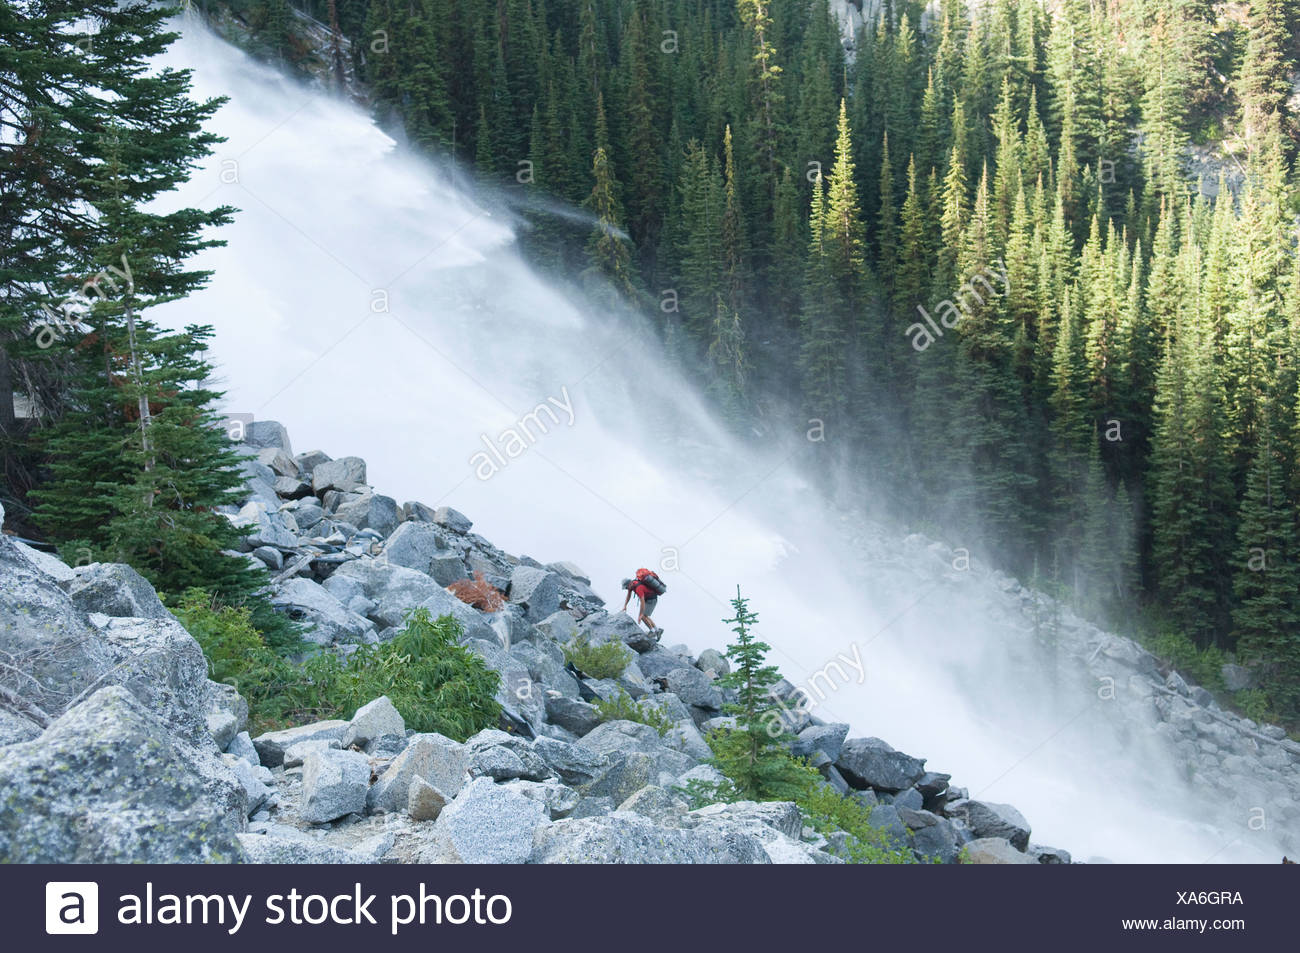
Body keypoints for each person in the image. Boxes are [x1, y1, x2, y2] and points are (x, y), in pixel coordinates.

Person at [620, 567, 666, 637]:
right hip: (649, 599)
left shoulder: (638, 588)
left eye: (626, 587)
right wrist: (625, 606)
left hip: (652, 600)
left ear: (629, 584)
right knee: (645, 616)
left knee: (643, 616)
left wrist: (640, 615)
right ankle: (657, 630)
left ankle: (652, 631)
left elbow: (642, 602)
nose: (627, 589)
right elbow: (628, 596)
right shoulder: (632, 585)